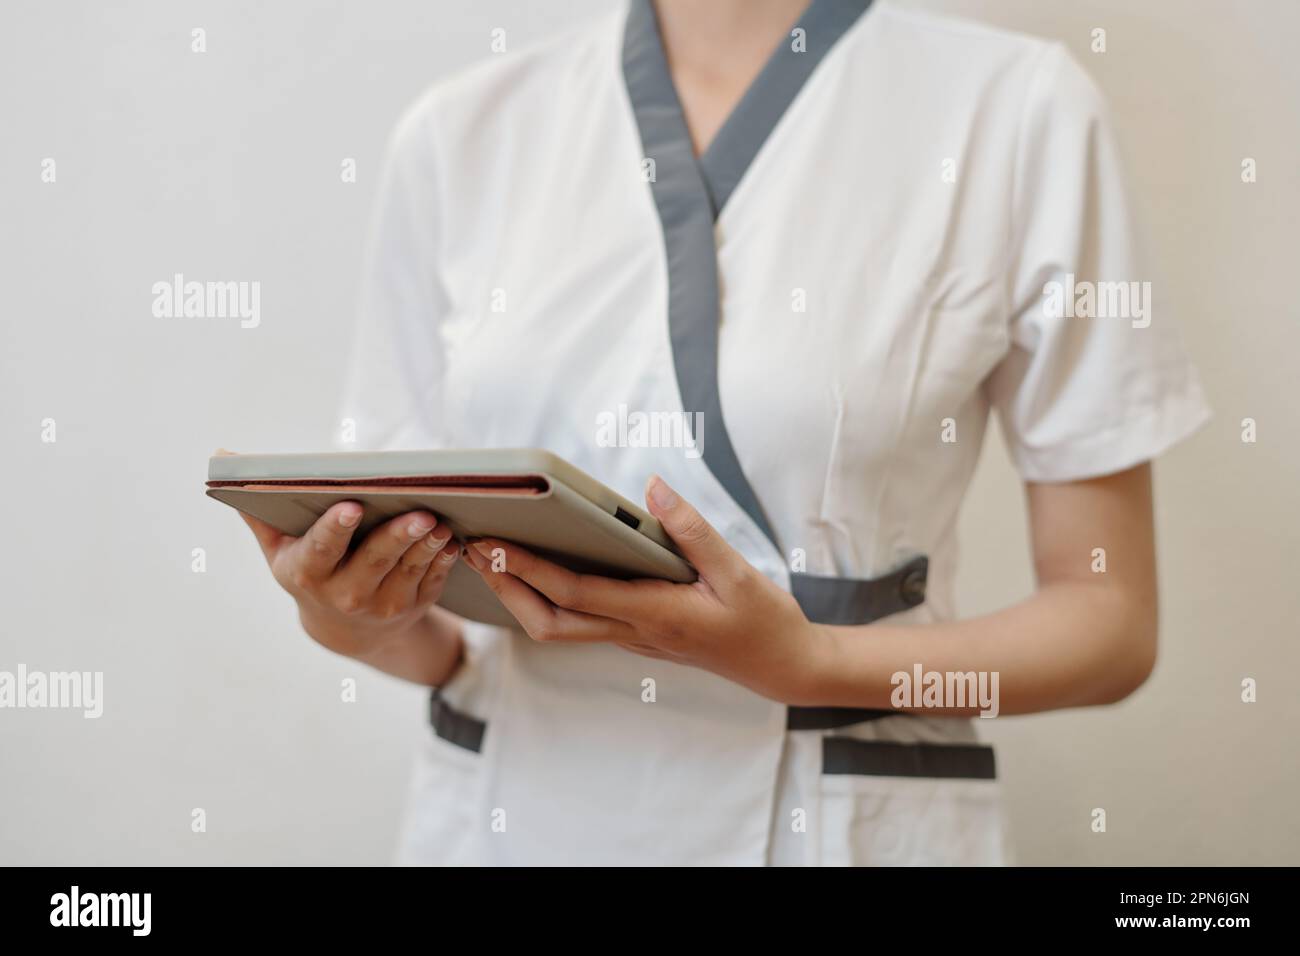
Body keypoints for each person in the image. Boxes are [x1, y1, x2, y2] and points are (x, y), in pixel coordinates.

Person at [235, 0, 1210, 865]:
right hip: (517, 805)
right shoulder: (462, 131)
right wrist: (347, 611)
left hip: (829, 815)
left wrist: (809, 664)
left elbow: (1110, 622)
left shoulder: (1017, 109)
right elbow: (435, 640)